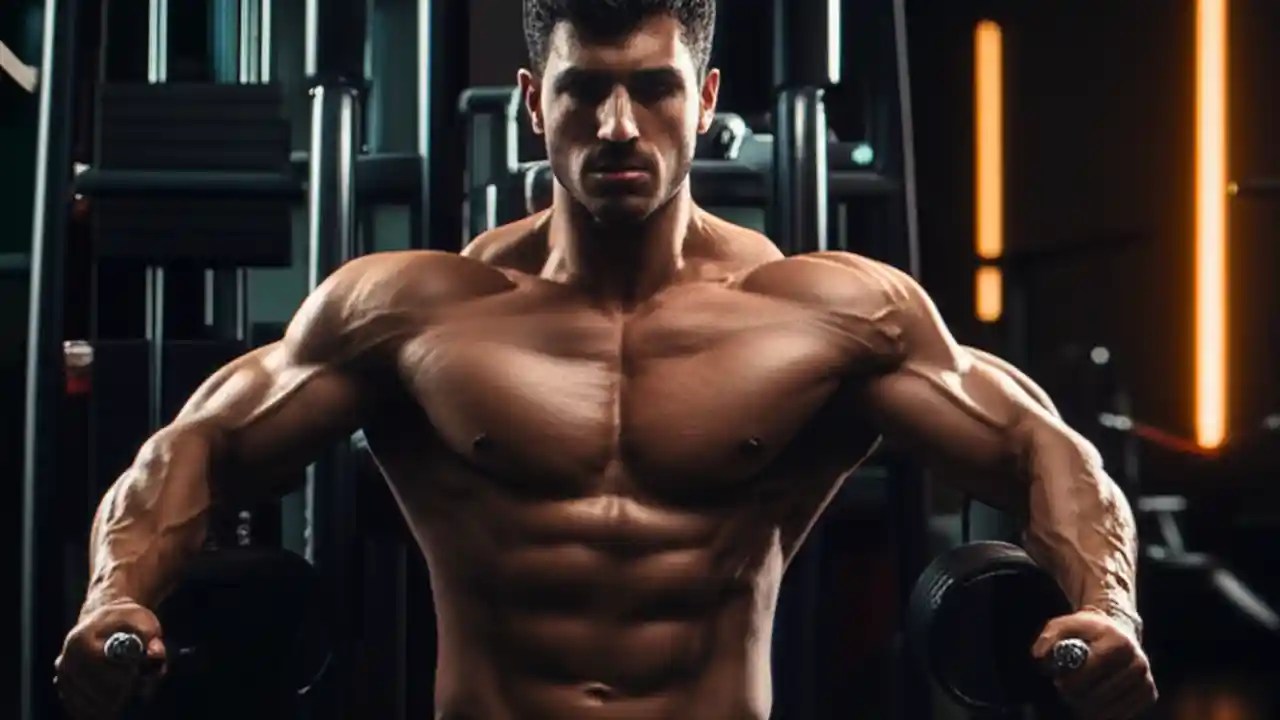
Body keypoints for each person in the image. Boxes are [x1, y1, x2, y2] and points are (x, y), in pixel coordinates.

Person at [55, 1, 1157, 718]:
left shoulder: (824, 313)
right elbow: (196, 444)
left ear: (705, 102)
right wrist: (114, 599)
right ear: (534, 103)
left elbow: (1032, 444)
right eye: (584, 89)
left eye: (656, 88)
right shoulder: (406, 309)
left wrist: (1108, 607)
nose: (620, 124)